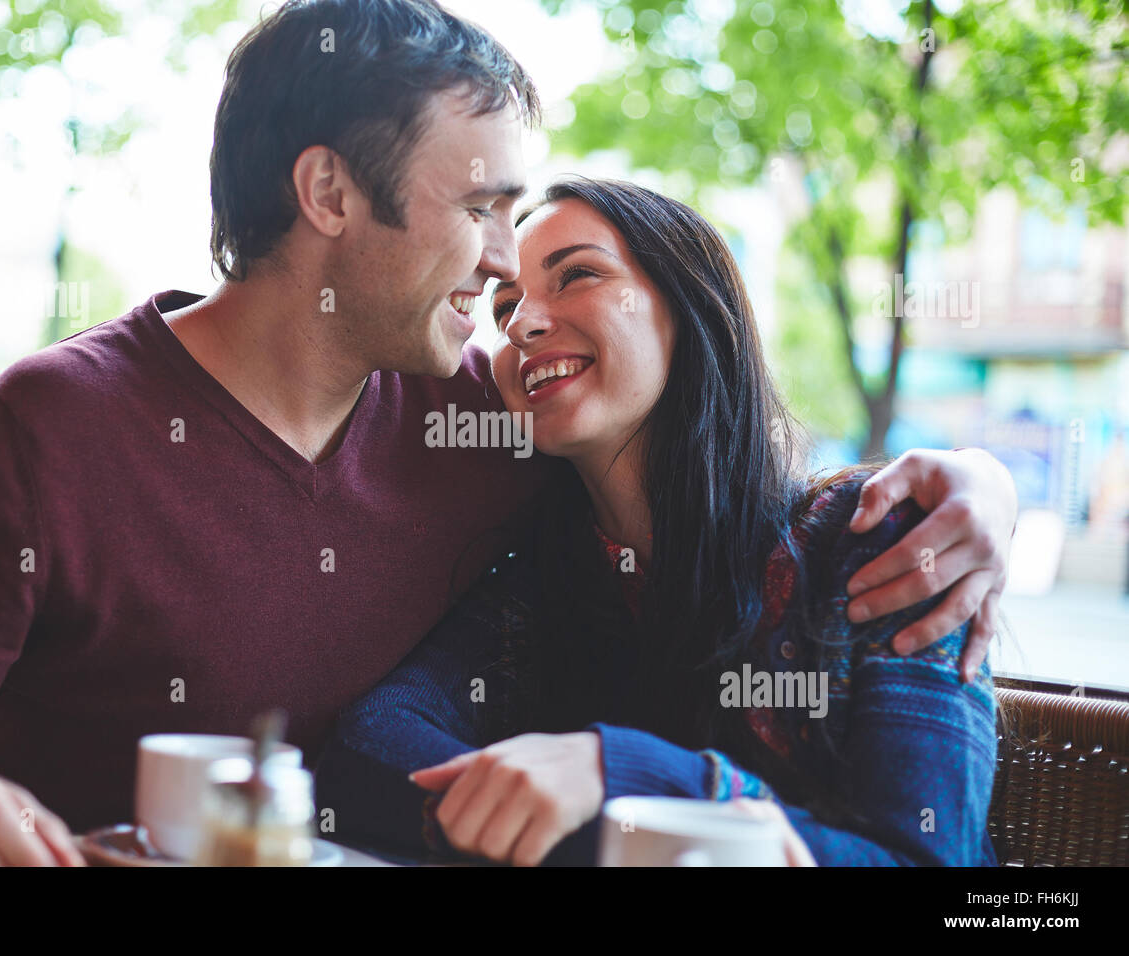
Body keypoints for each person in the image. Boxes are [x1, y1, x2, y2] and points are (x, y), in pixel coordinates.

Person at [0, 0, 1013, 867]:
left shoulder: (489, 426)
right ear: (331, 195)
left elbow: (687, 465)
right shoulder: (44, 428)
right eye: (484, 207)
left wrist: (979, 485)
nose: (508, 274)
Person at [315, 179, 1004, 867]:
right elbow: (370, 743)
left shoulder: (881, 541)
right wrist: (625, 829)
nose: (522, 323)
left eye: (578, 275)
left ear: (690, 308)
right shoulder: (536, 585)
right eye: (505, 307)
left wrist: (625, 771)